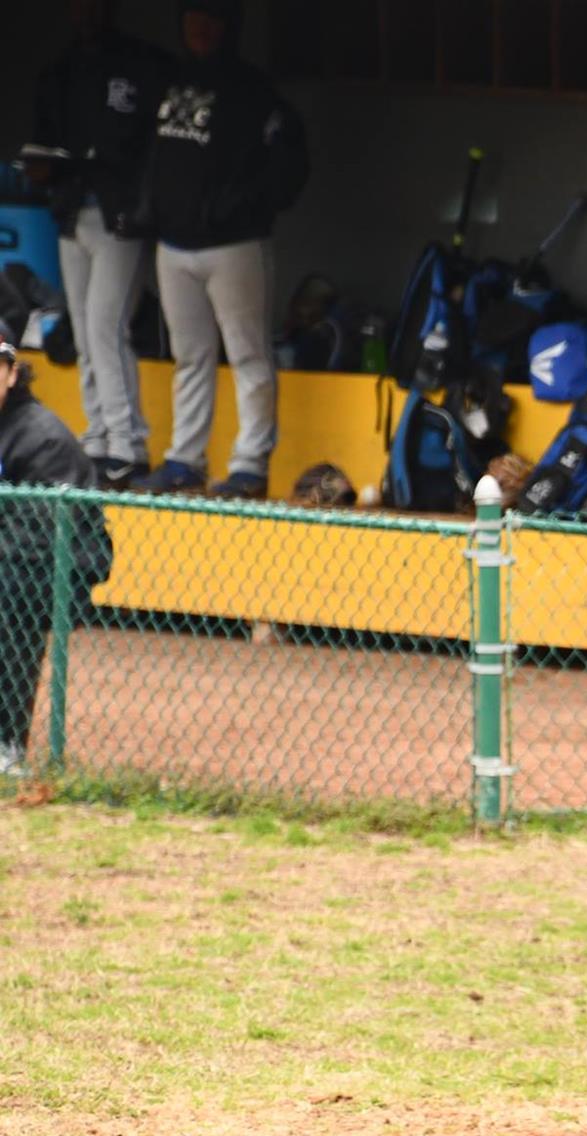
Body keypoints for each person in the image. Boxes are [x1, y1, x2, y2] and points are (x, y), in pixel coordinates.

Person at [132, 0, 308, 501]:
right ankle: (185, 461)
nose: (200, 28)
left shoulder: (254, 91)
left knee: (249, 354)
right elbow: (150, 158)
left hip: (235, 246)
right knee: (190, 357)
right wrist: (148, 210)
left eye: (211, 18)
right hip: (173, 245)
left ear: (230, 26)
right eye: (192, 17)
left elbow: (288, 165)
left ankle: (249, 465)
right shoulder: (168, 79)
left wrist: (241, 205)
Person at [27, 0, 169, 490]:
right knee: (86, 332)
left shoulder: (139, 65)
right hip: (72, 213)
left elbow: (152, 148)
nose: (86, 15)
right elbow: (45, 144)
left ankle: (129, 446)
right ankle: (99, 439)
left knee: (107, 326)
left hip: (120, 220)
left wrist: (142, 207)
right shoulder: (62, 72)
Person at [0, 325, 114, 777]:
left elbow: (43, 531)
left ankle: (6, 745)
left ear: (12, 373)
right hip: (12, 553)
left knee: (9, 594)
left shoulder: (40, 435)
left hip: (60, 563)